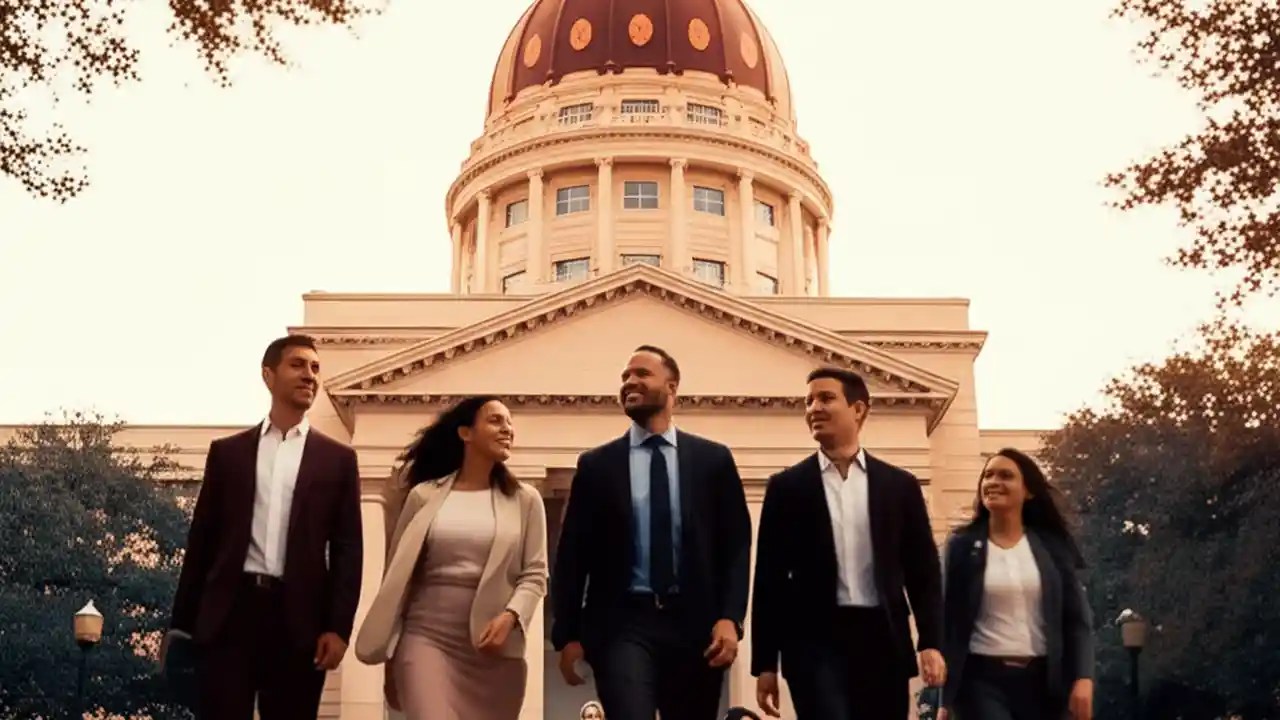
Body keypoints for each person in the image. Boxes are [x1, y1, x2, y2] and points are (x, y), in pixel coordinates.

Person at [551, 345, 752, 720]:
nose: (630, 382)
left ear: (672, 387)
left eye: (642, 374)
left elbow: (736, 546)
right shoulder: (597, 466)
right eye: (625, 376)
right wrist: (567, 634)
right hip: (622, 623)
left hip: (695, 625)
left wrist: (730, 617)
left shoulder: (713, 461)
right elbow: (573, 555)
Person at [169, 334, 364, 719]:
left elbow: (348, 549)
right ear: (268, 375)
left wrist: (338, 627)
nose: (309, 375)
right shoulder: (228, 454)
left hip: (299, 621)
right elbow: (202, 543)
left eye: (315, 368)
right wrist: (182, 628)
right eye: (297, 365)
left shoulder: (337, 460)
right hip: (230, 615)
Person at [750, 366, 945, 720]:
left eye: (826, 398)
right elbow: (769, 581)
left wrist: (931, 642)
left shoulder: (899, 486)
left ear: (858, 409)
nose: (814, 408)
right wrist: (765, 664)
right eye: (808, 401)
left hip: (883, 640)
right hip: (813, 645)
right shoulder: (786, 488)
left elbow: (923, 573)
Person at [354, 395, 548, 720]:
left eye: (509, 422)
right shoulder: (424, 496)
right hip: (425, 638)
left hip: (492, 650)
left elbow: (535, 573)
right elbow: (400, 579)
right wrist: (391, 652)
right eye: (495, 420)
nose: (507, 429)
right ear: (465, 433)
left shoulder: (525, 500)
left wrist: (511, 616)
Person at [936, 449, 1094, 720]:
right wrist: (943, 700)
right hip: (980, 681)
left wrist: (1083, 678)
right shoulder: (961, 545)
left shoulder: (1052, 547)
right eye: (988, 475)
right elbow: (948, 623)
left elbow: (1076, 620)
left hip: (1045, 683)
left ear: (1028, 491)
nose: (993, 482)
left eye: (1006, 476)